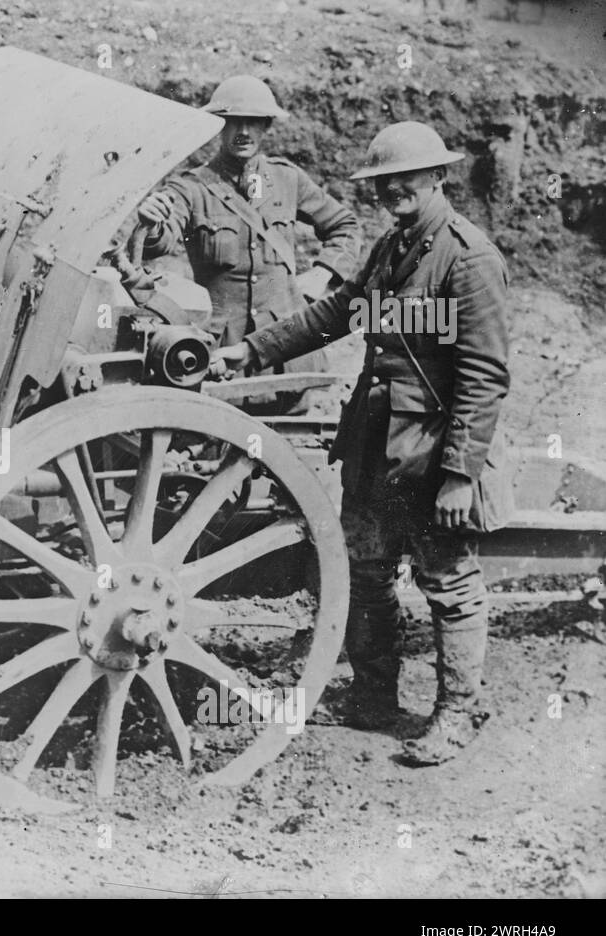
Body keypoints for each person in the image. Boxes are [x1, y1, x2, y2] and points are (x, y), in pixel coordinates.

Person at [211, 121, 514, 766]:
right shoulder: (390, 247)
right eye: (382, 181)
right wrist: (253, 349)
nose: (392, 189)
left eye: (405, 178)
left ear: (438, 177)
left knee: (448, 581)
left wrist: (461, 475)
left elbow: (484, 376)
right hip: (375, 444)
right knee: (365, 571)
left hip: (432, 452)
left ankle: (456, 714)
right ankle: (374, 697)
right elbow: (339, 311)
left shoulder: (469, 258)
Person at [122, 75, 361, 378]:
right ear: (218, 125)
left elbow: (345, 225)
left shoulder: (287, 179)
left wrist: (323, 273)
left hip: (286, 350)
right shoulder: (191, 188)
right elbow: (160, 241)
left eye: (253, 121)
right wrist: (151, 223)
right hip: (222, 354)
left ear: (266, 125)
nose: (244, 131)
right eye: (234, 121)